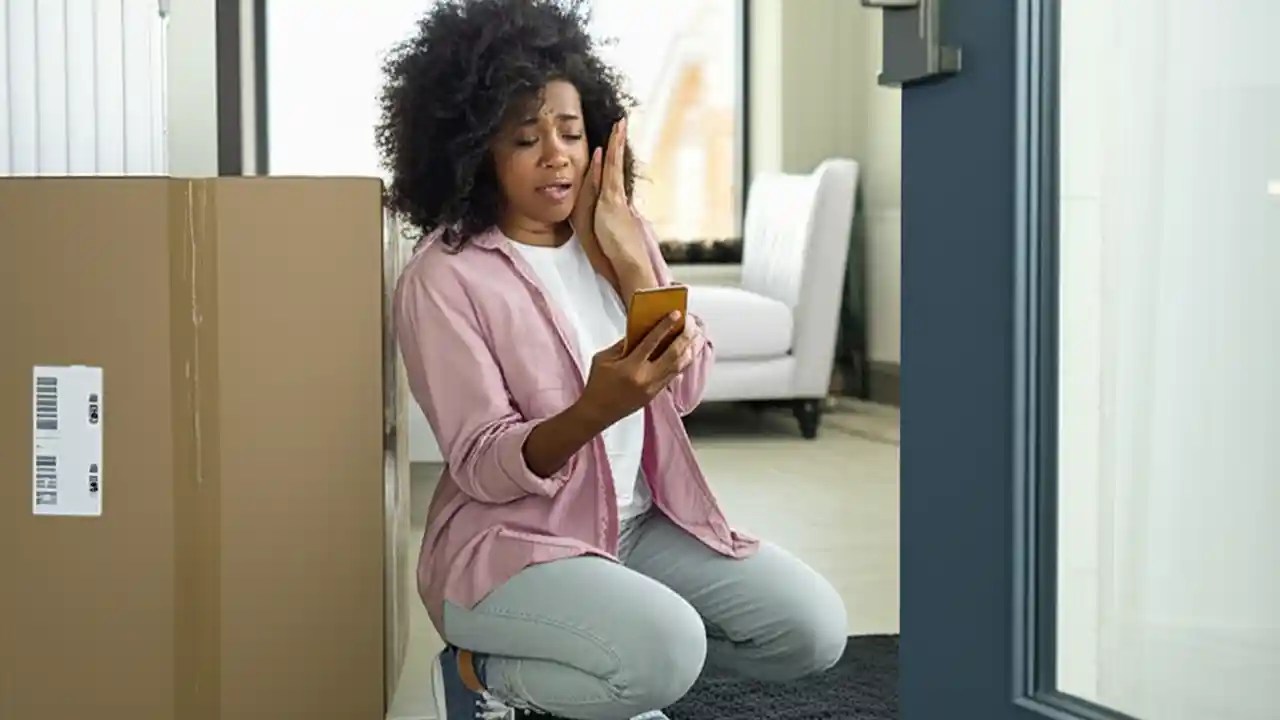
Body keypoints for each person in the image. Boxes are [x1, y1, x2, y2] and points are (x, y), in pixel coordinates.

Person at [379, 1, 847, 718]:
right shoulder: (445, 277)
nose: (556, 154)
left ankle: (606, 671)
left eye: (571, 132)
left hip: (633, 528)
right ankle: (485, 676)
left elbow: (686, 388)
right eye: (525, 139)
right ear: (474, 152)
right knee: (668, 649)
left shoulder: (619, 235)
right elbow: (478, 461)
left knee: (811, 631)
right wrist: (593, 409)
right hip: (511, 550)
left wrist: (631, 262)